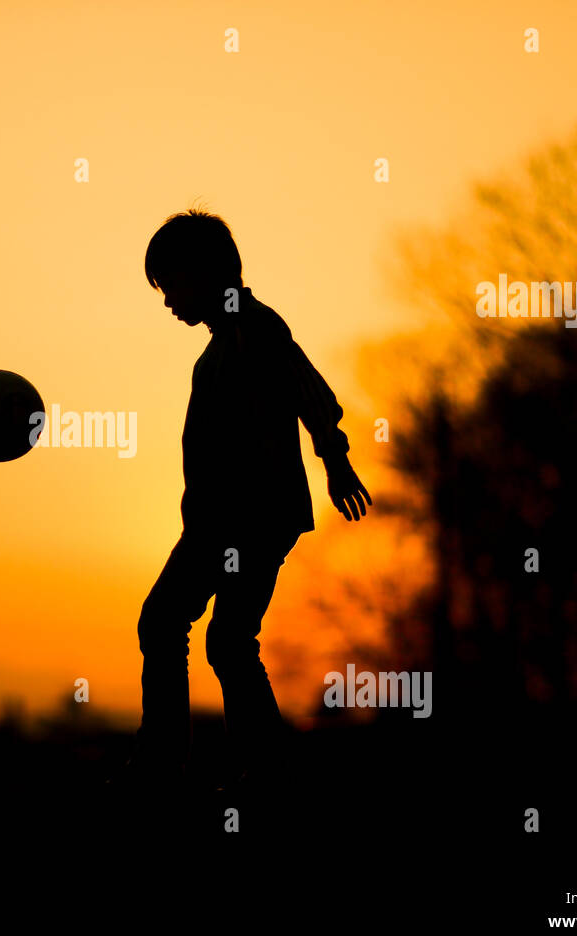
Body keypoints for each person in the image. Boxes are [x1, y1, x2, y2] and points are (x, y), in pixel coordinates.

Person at [122, 208, 372, 794]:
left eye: (171, 285)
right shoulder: (218, 347)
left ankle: (170, 766)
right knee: (223, 639)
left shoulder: (252, 325)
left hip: (247, 519)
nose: (168, 301)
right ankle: (261, 771)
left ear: (207, 274)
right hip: (224, 520)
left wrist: (335, 461)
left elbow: (307, 388)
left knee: (169, 622)